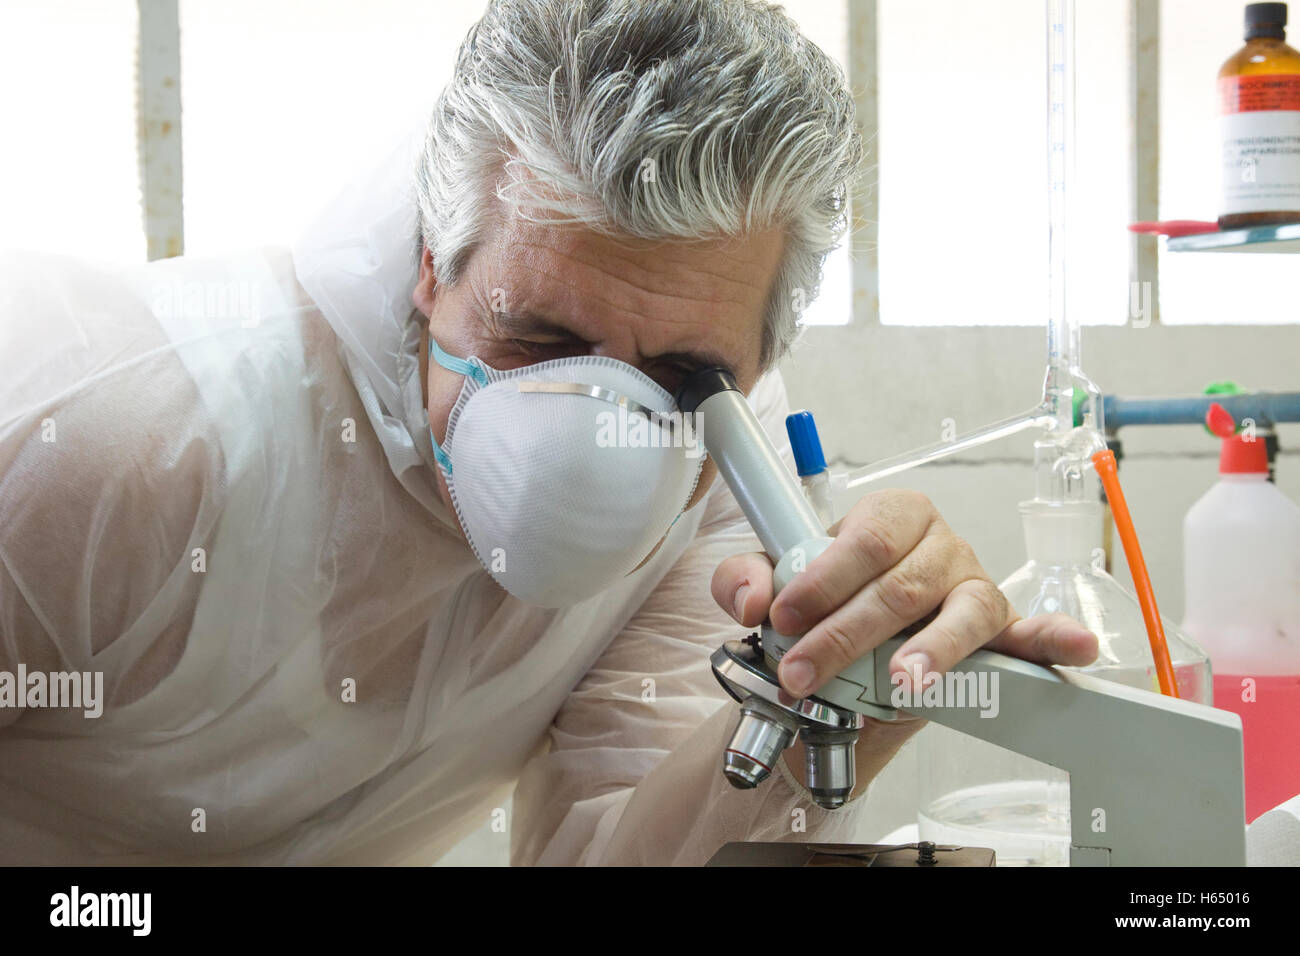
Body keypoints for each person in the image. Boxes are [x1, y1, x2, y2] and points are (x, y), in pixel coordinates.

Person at [0, 0, 1096, 865]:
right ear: (432, 265)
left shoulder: (723, 472)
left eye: (677, 374)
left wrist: (838, 684)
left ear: (759, 361)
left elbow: (609, 853)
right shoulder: (115, 436)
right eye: (539, 339)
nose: (593, 436)